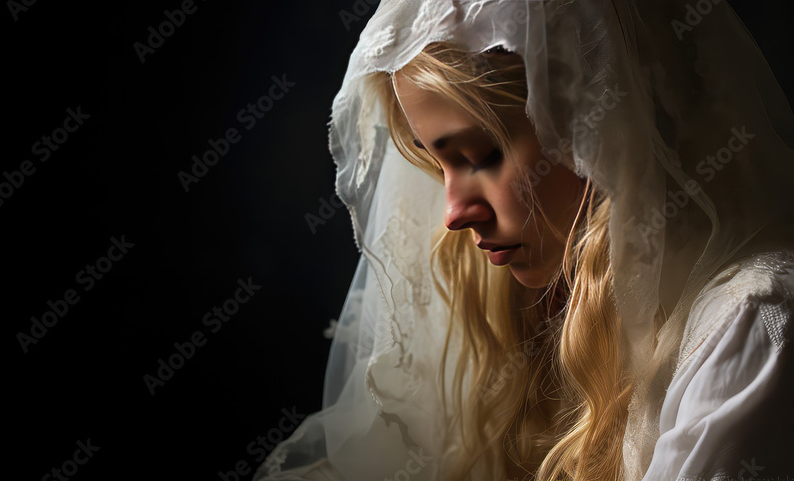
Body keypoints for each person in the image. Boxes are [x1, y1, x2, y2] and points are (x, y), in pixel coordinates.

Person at [254, 1, 794, 480]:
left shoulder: (753, 321)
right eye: (434, 161)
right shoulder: (532, 312)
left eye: (482, 155)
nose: (453, 215)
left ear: (602, 124)